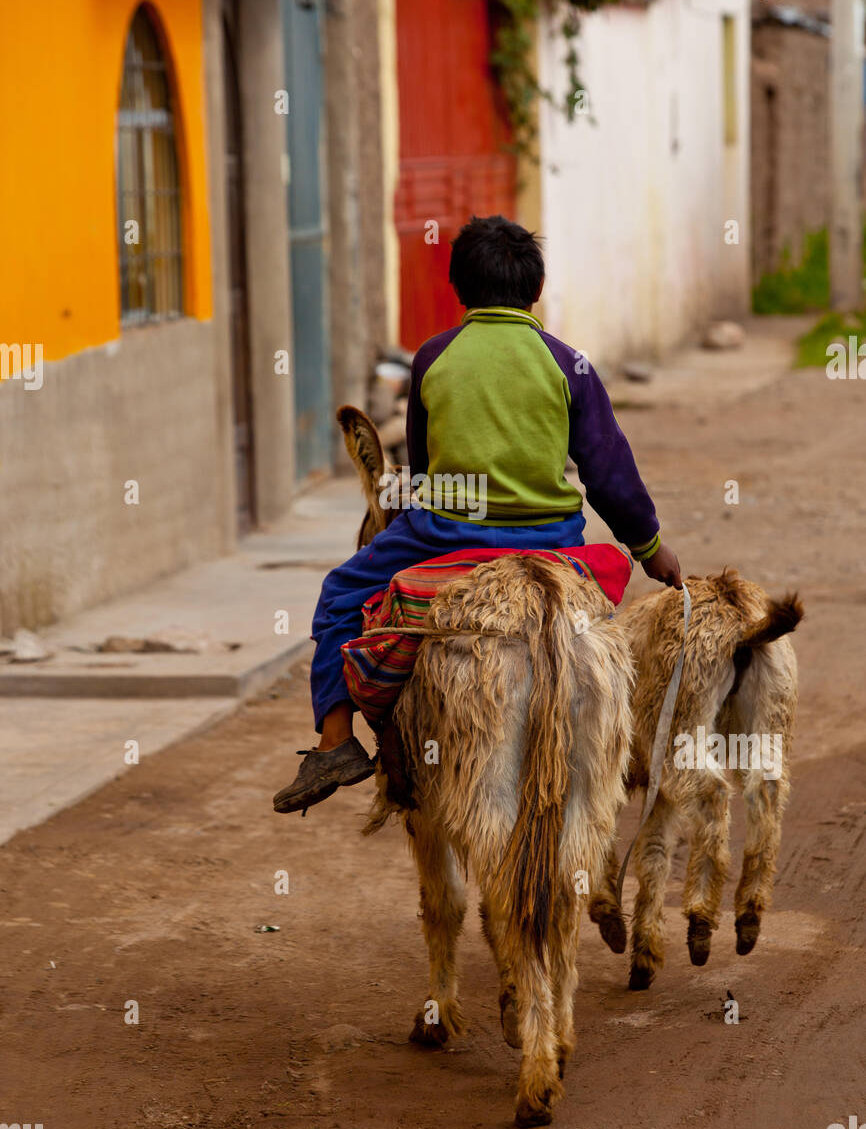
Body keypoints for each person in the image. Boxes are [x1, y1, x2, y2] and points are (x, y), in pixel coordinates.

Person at [274, 215, 681, 815]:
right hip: (553, 544)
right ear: (535, 290)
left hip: (442, 534)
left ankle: (337, 742)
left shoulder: (434, 358)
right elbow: (609, 474)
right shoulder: (571, 364)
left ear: (459, 289)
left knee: (339, 593)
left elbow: (421, 463)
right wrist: (650, 548)